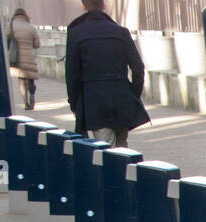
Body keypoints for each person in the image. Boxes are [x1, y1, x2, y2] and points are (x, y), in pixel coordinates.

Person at [64, 0, 150, 147]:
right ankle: (124, 170)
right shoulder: (121, 32)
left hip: (95, 101)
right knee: (122, 147)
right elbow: (138, 68)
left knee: (105, 148)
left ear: (84, 6)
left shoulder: (76, 34)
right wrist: (133, 94)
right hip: (122, 97)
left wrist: (75, 104)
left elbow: (72, 75)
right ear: (104, 6)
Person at [7, 8, 41, 111]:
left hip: (16, 58)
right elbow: (37, 44)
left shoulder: (11, 25)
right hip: (29, 57)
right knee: (30, 79)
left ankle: (26, 103)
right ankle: (32, 95)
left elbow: (6, 38)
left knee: (21, 81)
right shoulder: (30, 27)